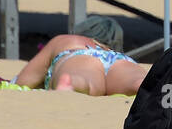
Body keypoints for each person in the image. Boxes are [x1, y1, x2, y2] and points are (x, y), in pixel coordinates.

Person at [13, 16, 148, 95]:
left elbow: (24, 81)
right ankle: (145, 86)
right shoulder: (113, 51)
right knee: (140, 83)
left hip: (80, 54)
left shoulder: (66, 40)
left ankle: (72, 82)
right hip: (117, 60)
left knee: (84, 80)